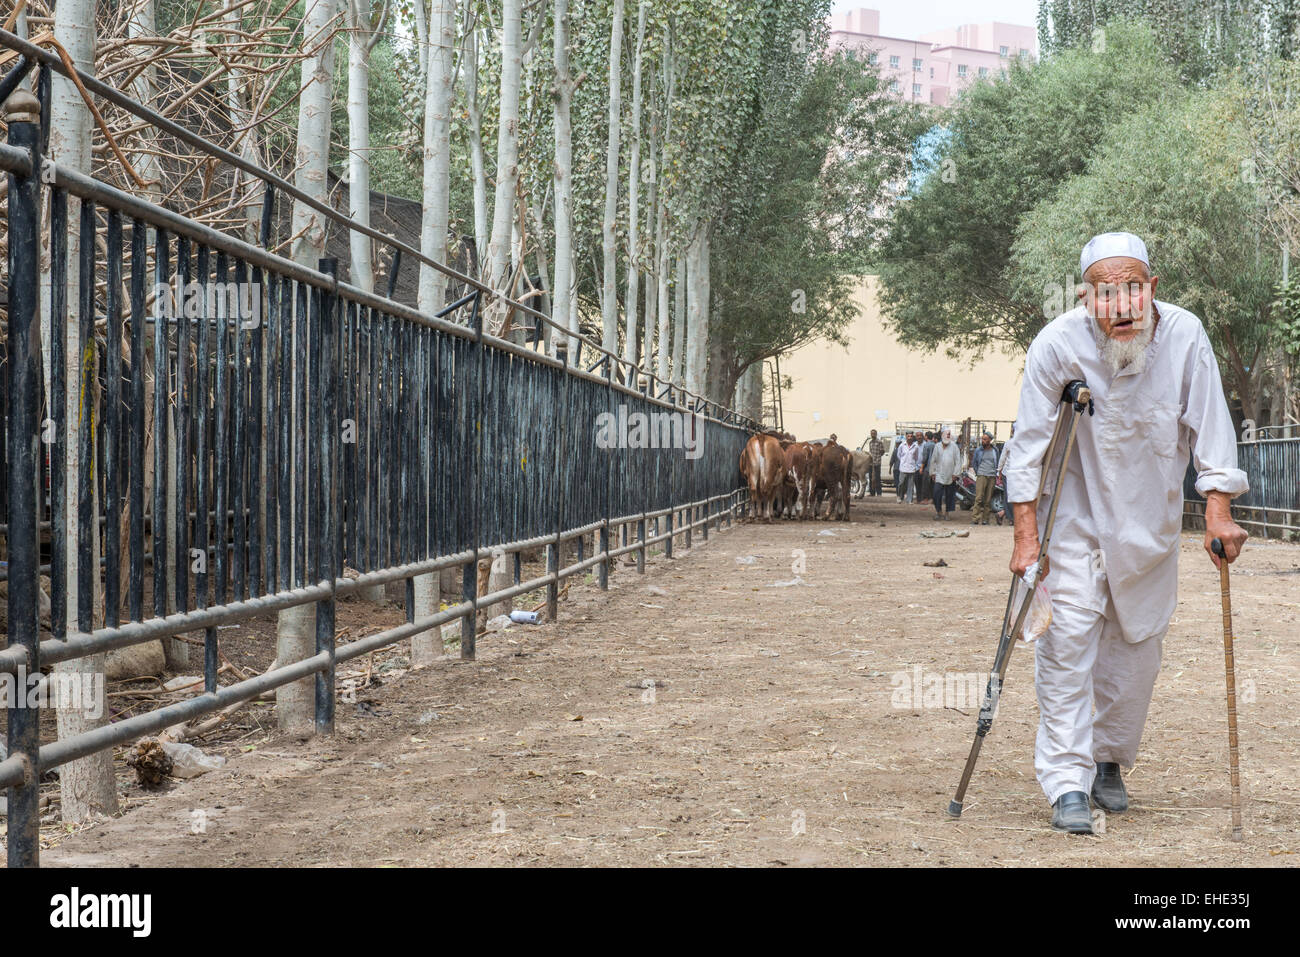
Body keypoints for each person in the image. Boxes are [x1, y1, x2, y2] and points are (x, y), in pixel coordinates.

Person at [1006, 231, 1248, 835]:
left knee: (1136, 655)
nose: (1121, 307)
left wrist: (1218, 508)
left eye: (1133, 290)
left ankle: (1108, 760)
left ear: (1152, 290)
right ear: (1086, 297)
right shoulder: (1057, 343)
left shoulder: (1187, 336)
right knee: (1065, 646)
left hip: (1151, 526)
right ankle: (1066, 783)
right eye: (1105, 294)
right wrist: (1026, 536)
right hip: (1074, 522)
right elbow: (1028, 446)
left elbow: (1211, 425)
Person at [928, 428, 961, 520]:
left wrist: (956, 473)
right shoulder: (937, 446)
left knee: (949, 495)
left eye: (949, 434)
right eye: (946, 434)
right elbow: (933, 460)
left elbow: (958, 461)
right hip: (939, 474)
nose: (948, 436)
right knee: (936, 494)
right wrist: (932, 473)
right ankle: (939, 512)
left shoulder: (954, 446)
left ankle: (947, 513)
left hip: (951, 475)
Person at [969, 432, 999, 524]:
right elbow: (974, 463)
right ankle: (975, 519)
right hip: (981, 475)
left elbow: (997, 462)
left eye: (985, 439)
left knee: (988, 499)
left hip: (992, 476)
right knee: (978, 498)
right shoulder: (979, 450)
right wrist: (978, 472)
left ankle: (985, 519)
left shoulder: (995, 450)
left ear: (990, 440)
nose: (983, 441)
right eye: (982, 439)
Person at [896, 432, 920, 504]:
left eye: (911, 436)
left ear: (913, 438)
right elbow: (899, 455)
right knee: (901, 483)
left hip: (911, 468)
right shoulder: (902, 445)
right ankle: (899, 497)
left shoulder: (915, 446)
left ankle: (909, 500)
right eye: (908, 436)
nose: (909, 438)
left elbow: (916, 457)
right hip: (903, 468)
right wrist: (903, 462)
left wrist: (912, 463)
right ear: (906, 437)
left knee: (911, 485)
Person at [868, 429, 886, 496]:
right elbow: (870, 452)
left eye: (874, 433)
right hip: (871, 463)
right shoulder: (870, 442)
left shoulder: (879, 442)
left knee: (877, 478)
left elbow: (883, 451)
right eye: (871, 433)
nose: (872, 435)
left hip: (877, 463)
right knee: (871, 478)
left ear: (876, 434)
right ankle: (872, 493)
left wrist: (878, 457)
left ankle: (879, 493)